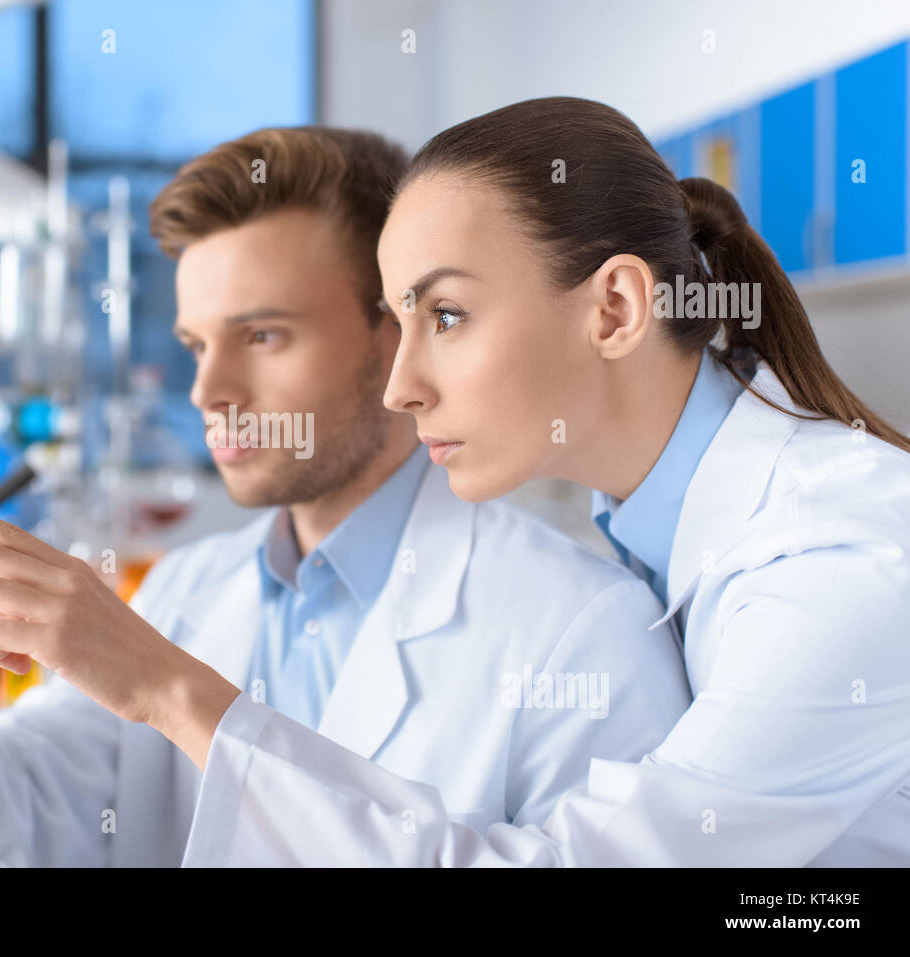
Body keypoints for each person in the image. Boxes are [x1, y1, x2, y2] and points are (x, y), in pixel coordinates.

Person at [0, 125, 690, 867]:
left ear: (393, 331)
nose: (209, 391)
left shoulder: (583, 631)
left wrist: (168, 688)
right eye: (197, 344)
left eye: (263, 336)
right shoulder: (190, 593)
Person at [158, 97, 910, 866]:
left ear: (615, 308)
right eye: (400, 319)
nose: (400, 386)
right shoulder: (651, 527)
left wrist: (181, 700)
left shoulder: (831, 564)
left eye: (446, 315)